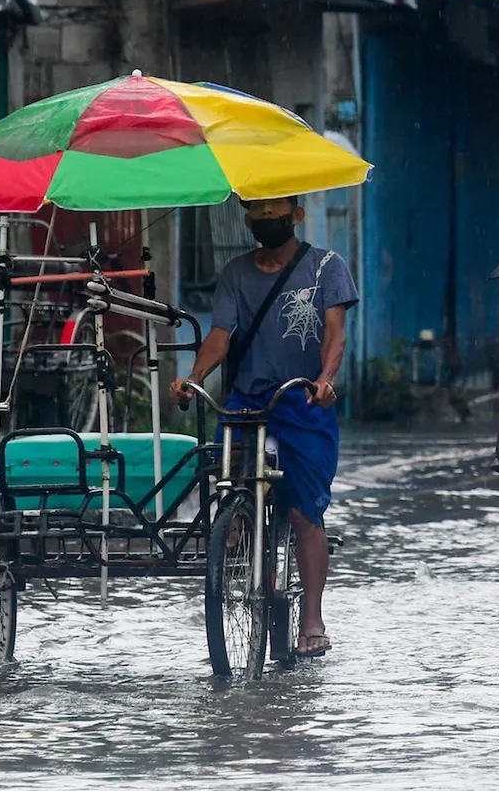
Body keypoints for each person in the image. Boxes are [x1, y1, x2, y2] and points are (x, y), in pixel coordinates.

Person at [171, 195, 359, 659]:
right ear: (247, 220)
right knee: (229, 486)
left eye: (276, 214)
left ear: (296, 216)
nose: (267, 222)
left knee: (304, 513)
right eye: (259, 214)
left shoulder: (326, 267)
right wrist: (194, 378)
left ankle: (312, 618)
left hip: (303, 400)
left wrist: (326, 379)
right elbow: (220, 336)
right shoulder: (235, 274)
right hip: (248, 402)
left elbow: (335, 333)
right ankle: (246, 548)